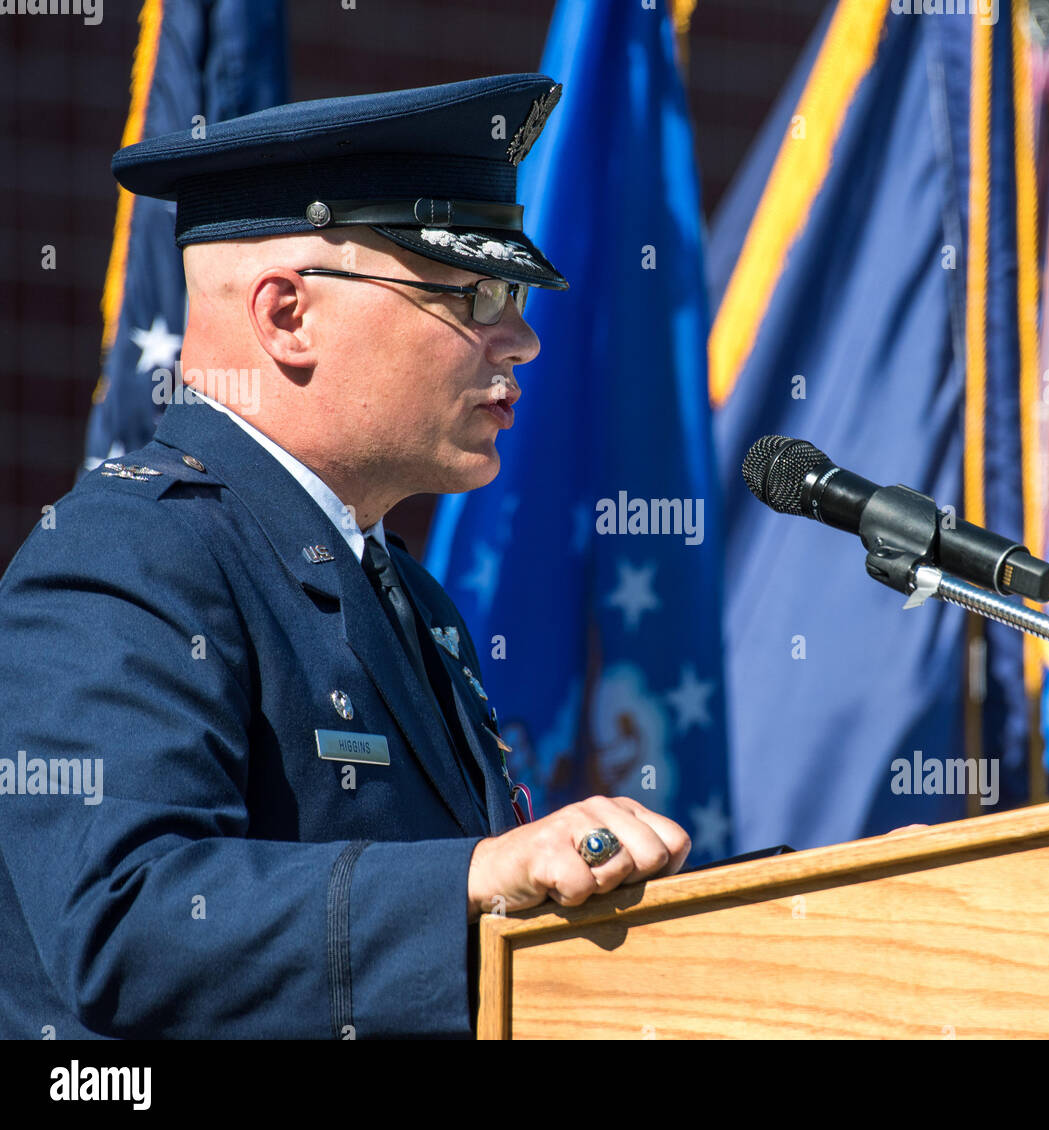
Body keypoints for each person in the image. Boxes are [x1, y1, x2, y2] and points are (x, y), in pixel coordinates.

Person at [0, 74, 689, 1040]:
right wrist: (475, 874)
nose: (523, 340)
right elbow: (122, 921)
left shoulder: (401, 588)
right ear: (286, 315)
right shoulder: (127, 554)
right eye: (476, 292)